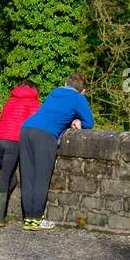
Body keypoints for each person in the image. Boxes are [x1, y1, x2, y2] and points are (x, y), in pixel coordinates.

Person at [19, 73, 94, 232]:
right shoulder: (78, 98)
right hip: (45, 134)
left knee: (27, 175)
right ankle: (37, 219)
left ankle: (28, 219)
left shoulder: (54, 92)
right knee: (41, 177)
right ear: (83, 91)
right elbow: (89, 123)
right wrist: (77, 121)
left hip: (26, 129)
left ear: (66, 83)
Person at [0, 82, 40, 227]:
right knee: (5, 178)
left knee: (12, 180)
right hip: (13, 141)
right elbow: (36, 123)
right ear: (33, 89)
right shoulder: (32, 100)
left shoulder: (11, 99)